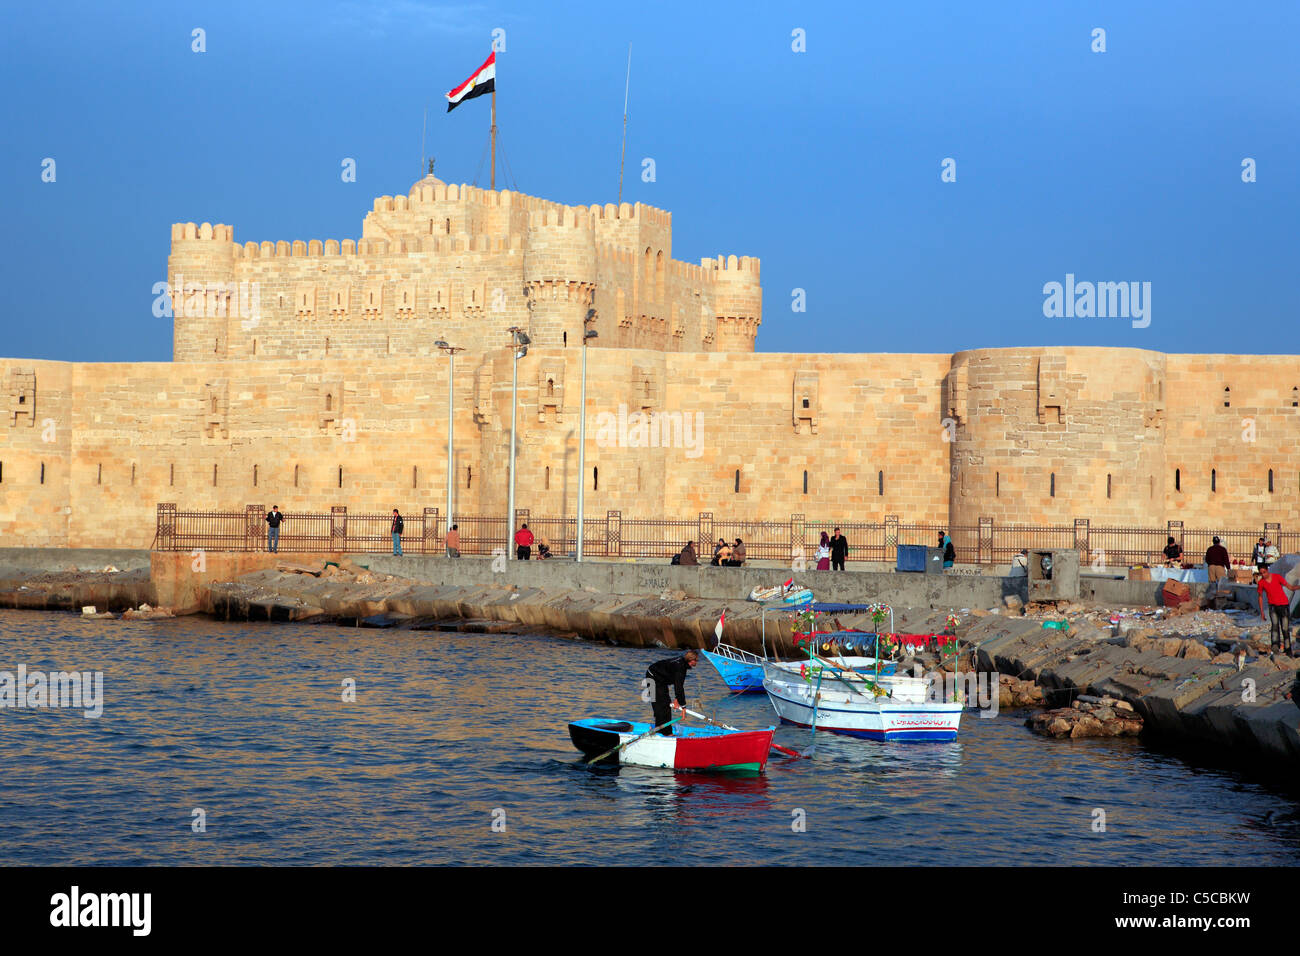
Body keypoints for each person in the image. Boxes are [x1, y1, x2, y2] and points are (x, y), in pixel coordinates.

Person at [645, 649, 698, 735]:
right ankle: (662, 732)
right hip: (652, 677)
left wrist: (677, 699)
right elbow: (679, 687)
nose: (697, 662)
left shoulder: (683, 665)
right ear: (692, 661)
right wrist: (683, 706)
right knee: (661, 705)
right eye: (696, 660)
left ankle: (666, 731)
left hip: (661, 680)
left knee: (666, 704)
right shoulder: (680, 667)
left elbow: (679, 684)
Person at [1256, 568, 1297, 655]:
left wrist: (1297, 587)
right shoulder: (1261, 583)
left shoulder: (1277, 577)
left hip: (1284, 605)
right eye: (1261, 573)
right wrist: (1262, 612)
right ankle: (1275, 647)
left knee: (1285, 628)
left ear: (1267, 571)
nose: (1263, 575)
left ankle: (1288, 649)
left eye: (1264, 572)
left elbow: (1290, 587)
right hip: (1273, 607)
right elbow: (1260, 597)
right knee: (1274, 627)